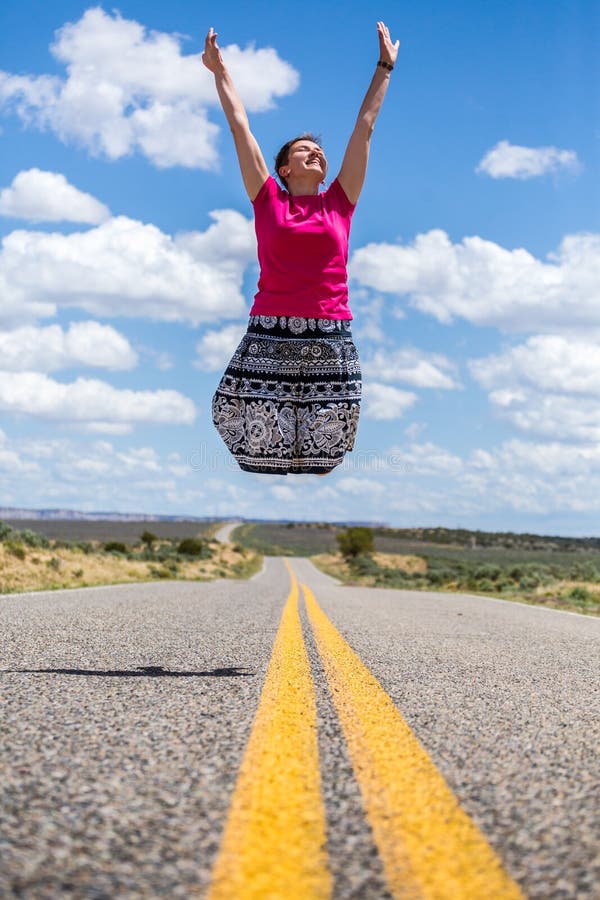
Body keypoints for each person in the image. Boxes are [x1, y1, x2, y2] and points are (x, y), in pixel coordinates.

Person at [203, 22, 399, 475]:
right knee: (232, 410)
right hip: (270, 330)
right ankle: (265, 465)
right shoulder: (267, 199)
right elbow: (239, 127)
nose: (316, 153)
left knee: (333, 432)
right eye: (304, 150)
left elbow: (364, 128)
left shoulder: (340, 201)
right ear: (284, 170)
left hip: (328, 331)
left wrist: (385, 66)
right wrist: (219, 71)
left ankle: (308, 468)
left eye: (319, 151)